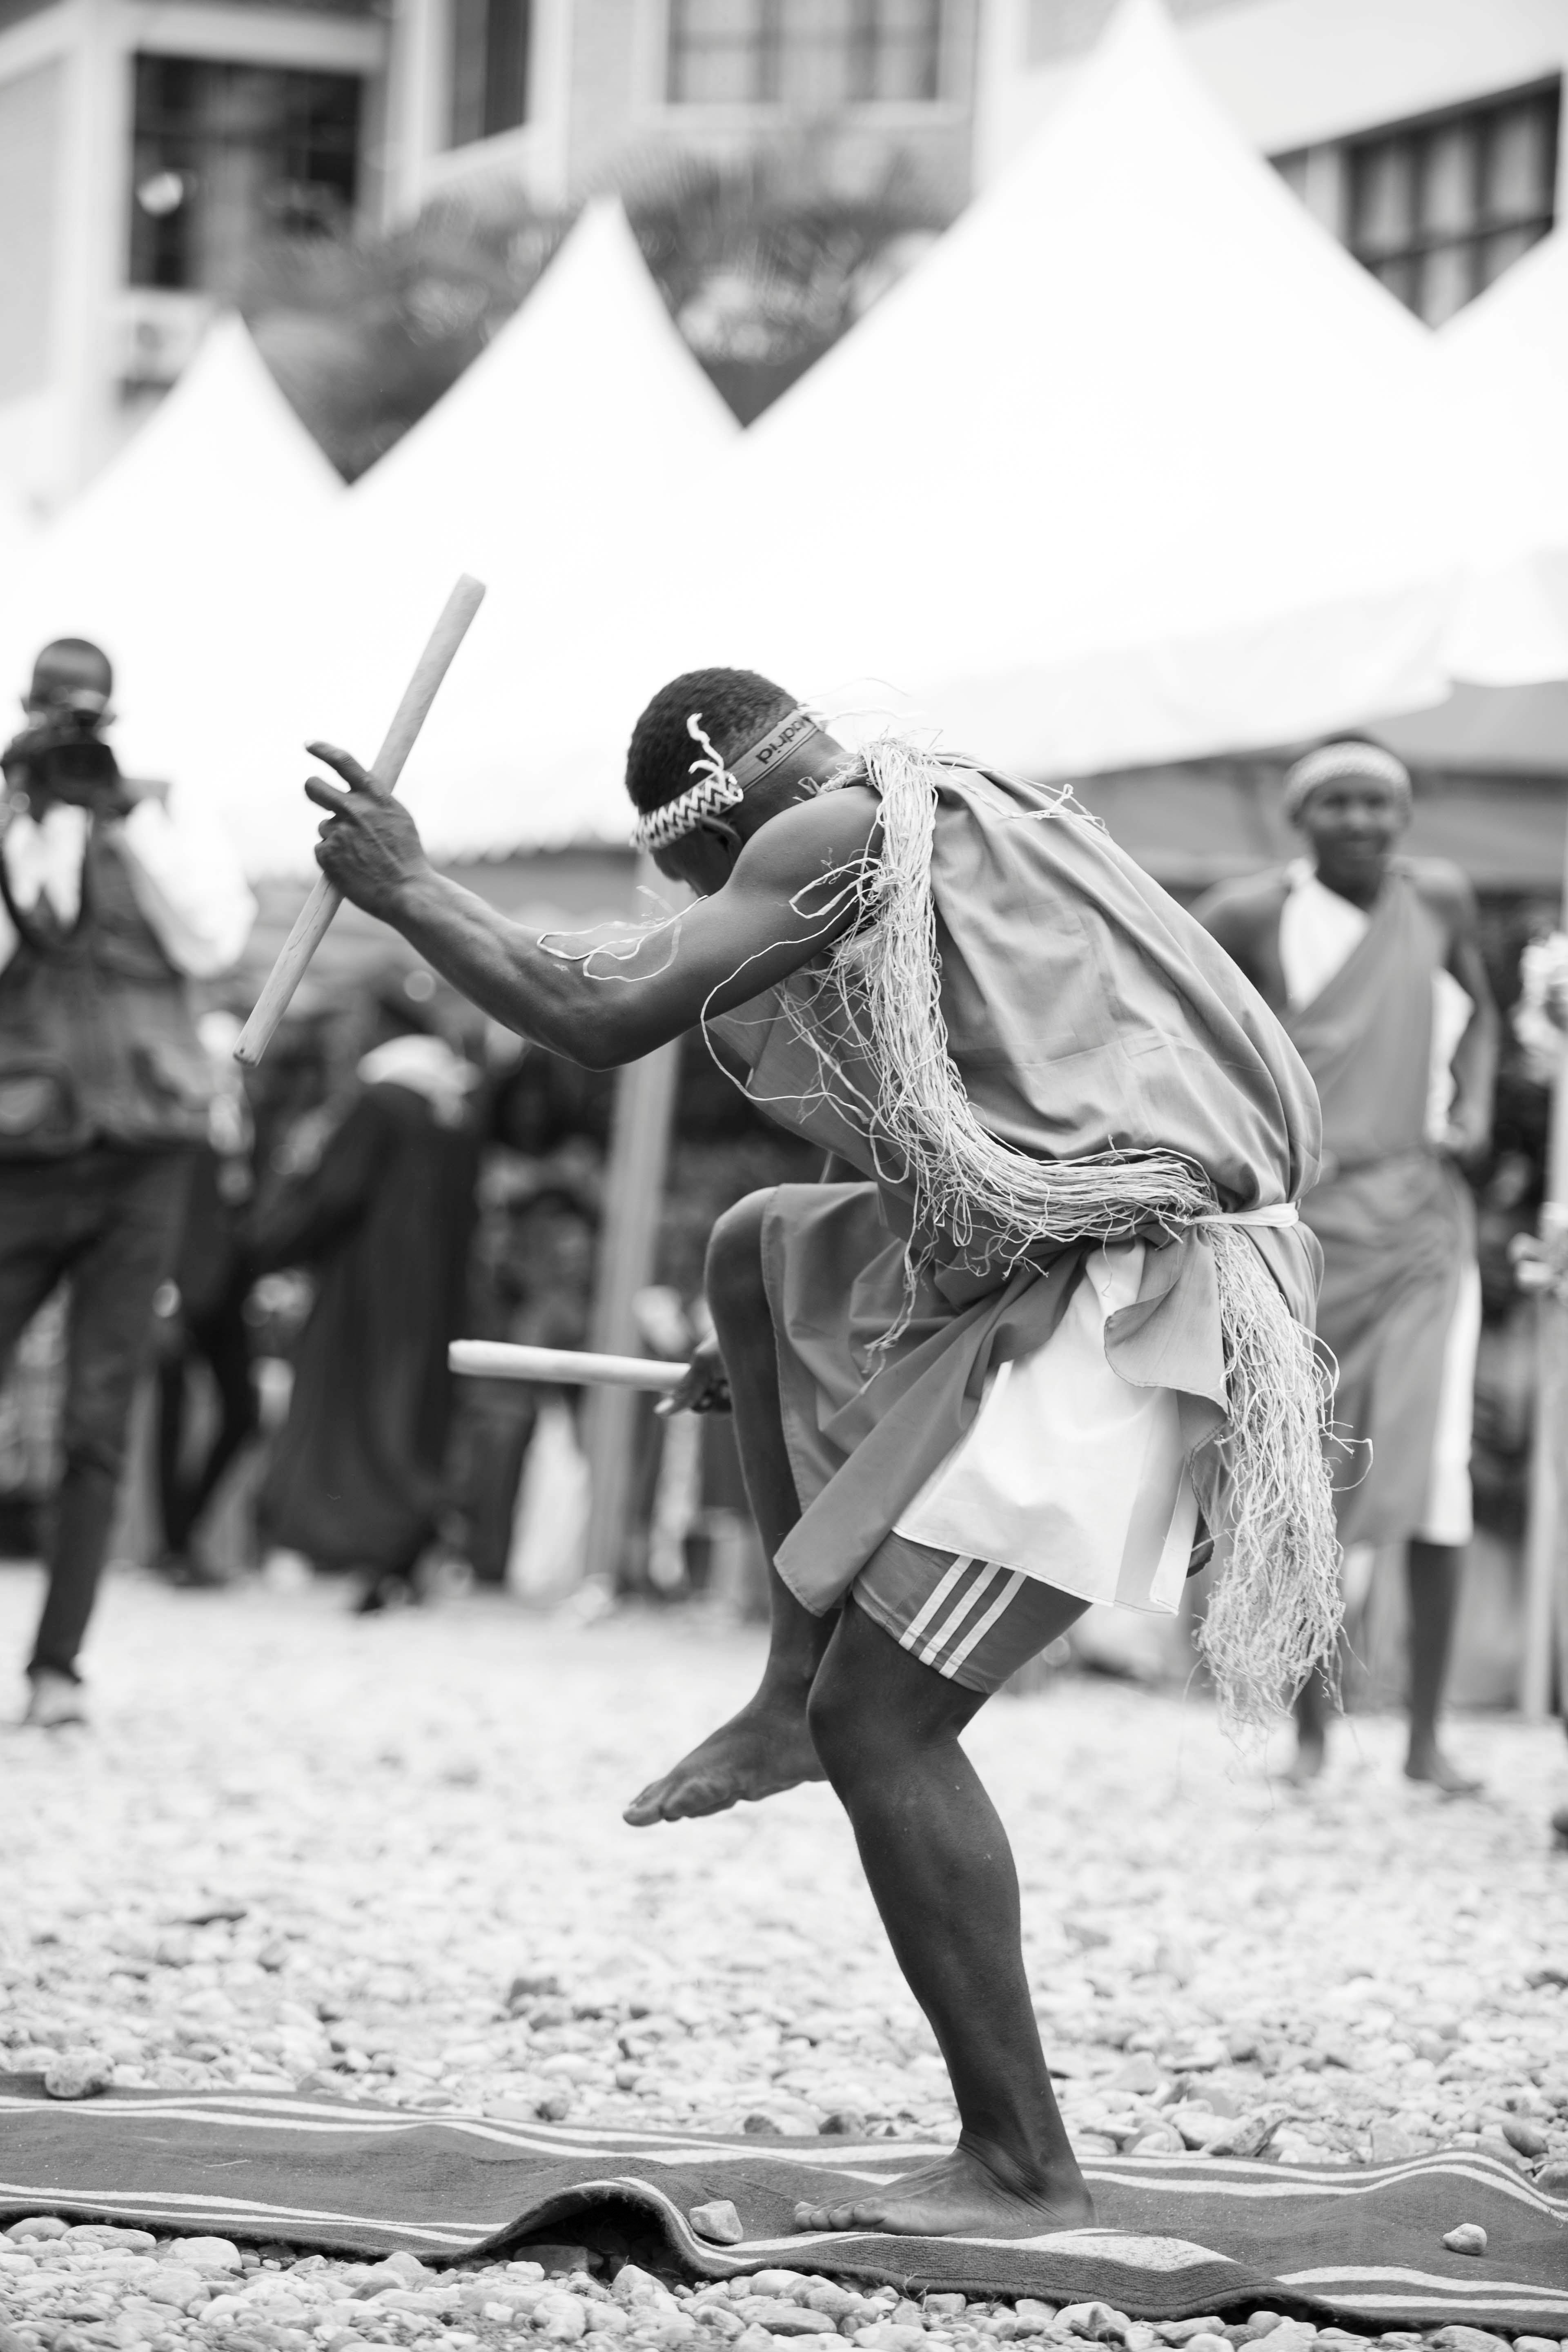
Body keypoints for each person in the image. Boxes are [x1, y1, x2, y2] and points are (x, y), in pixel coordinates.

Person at [301, 668, 1331, 2239]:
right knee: (758, 1248)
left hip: (1148, 1285)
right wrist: (789, 1340)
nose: (735, 923)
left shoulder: (829, 836)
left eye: (710, 893)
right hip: (1100, 1233)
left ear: (715, 829)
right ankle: (787, 1688)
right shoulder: (957, 809)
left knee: (892, 1727)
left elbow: (597, 1010)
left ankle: (1020, 2165)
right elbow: (1001, 1132)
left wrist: (407, 887)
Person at [1196, 738, 1497, 1792]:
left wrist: (1475, 1108)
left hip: (1422, 1226)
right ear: (1301, 819)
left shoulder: (1446, 901)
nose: (1363, 821)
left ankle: (1423, 1742)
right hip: (1304, 1231)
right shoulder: (1248, 915)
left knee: (1437, 1474)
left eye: (1381, 803)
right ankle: (1314, 1736)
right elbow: (1203, 1045)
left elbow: (1481, 1023)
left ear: (1406, 818)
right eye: (1340, 803)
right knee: (1308, 1475)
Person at [0, 639, 255, 1726]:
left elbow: (216, 933)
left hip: (144, 1154)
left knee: (100, 1418)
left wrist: (123, 821)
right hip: (21, 1151)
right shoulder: (11, 811)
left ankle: (58, 1669)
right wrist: (35, 821)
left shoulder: (161, 808)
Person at [249, 981, 481, 1612]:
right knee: (410, 1420)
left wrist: (265, 1246)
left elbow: (334, 1195)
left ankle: (371, 1547)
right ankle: (408, 1550)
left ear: (384, 1028)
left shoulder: (380, 1103)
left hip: (366, 1292)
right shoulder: (455, 1107)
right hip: (434, 1299)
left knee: (357, 1419)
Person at [154, 1009, 259, 1585]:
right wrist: (165, 1288)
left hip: (226, 1285)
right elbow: (170, 1206)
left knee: (240, 1411)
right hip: (184, 1284)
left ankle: (185, 1528)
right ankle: (173, 1543)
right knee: (170, 1415)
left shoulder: (240, 1115)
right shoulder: (185, 1114)